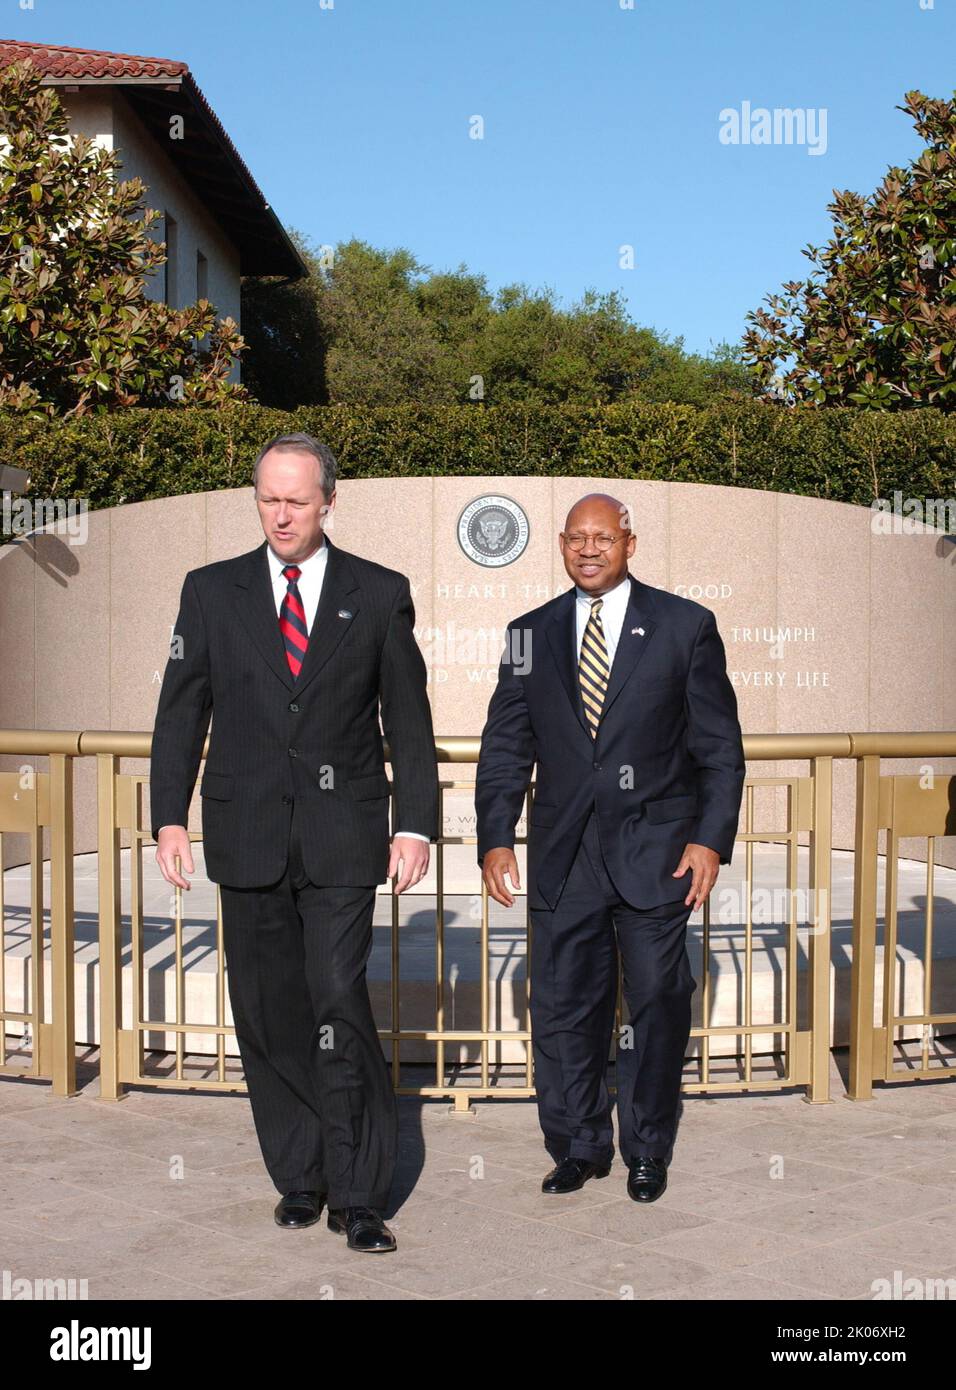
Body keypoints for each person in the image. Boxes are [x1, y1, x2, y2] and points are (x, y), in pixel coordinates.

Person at [150, 432, 438, 1253]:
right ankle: (300, 1176)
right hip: (245, 837)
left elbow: (407, 722)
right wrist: (168, 814)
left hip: (344, 840)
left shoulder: (379, 594)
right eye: (269, 499)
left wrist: (413, 823)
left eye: (297, 501)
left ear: (328, 503)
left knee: (338, 1002)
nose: (282, 515)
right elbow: (182, 710)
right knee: (270, 1018)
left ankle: (358, 1194)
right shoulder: (211, 591)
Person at [475, 494, 744, 1204]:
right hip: (564, 856)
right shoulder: (529, 634)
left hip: (658, 853)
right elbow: (506, 745)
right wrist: (496, 837)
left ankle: (647, 1148)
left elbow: (719, 750)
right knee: (564, 1004)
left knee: (656, 998)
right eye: (576, 539)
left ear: (629, 542)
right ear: (561, 545)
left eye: (603, 538)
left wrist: (710, 840)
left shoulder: (685, 627)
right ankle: (579, 1144)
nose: (588, 549)